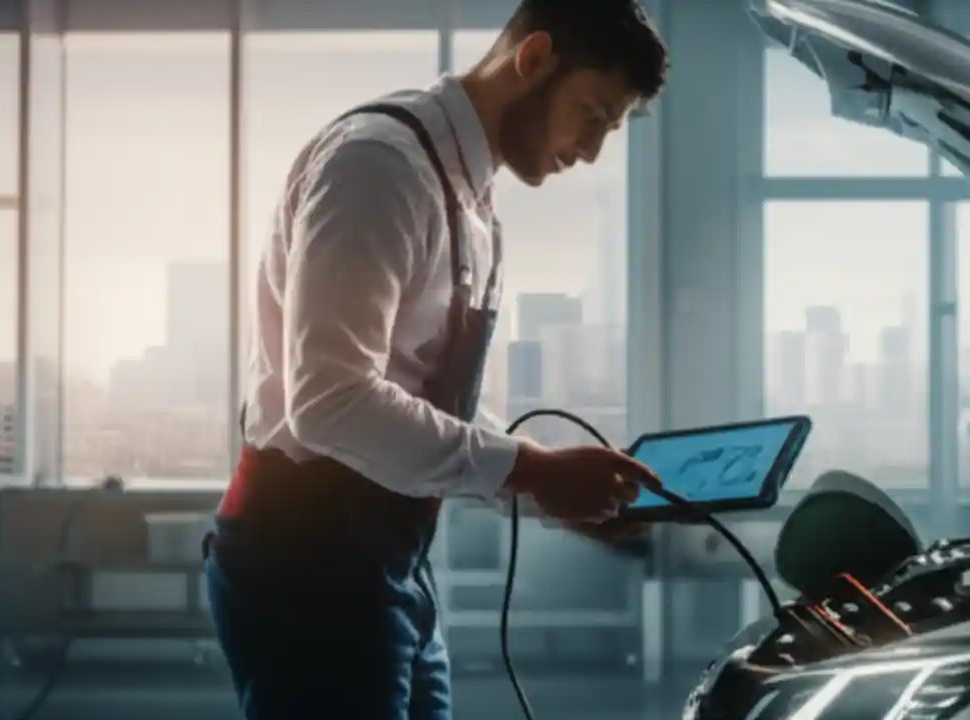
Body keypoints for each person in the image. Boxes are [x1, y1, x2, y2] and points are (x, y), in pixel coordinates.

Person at [202, 1, 670, 718]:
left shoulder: (472, 198)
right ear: (534, 59)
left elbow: (422, 396)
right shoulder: (379, 167)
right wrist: (532, 470)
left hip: (387, 559)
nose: (591, 151)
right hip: (305, 558)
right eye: (593, 116)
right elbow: (331, 401)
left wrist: (541, 483)